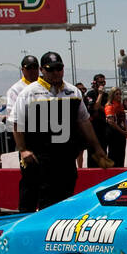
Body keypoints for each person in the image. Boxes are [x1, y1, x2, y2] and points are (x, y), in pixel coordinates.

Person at [12, 51, 113, 212]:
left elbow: (84, 121)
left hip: (66, 157)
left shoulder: (73, 92)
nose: (55, 73)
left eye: (59, 68)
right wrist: (23, 150)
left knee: (66, 198)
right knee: (42, 201)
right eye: (50, 69)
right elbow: (17, 124)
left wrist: (98, 148)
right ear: (42, 70)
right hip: (40, 157)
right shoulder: (29, 93)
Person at [4, 55, 40, 119]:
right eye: (28, 68)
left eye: (35, 67)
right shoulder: (15, 90)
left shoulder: (47, 85)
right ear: (22, 70)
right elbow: (12, 114)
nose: (32, 70)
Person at [104, 88, 127, 166]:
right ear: (112, 95)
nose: (119, 96)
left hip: (121, 132)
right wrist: (122, 131)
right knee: (113, 153)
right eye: (117, 94)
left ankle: (120, 169)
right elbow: (111, 122)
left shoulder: (120, 105)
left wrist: (126, 129)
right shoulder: (109, 106)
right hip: (113, 132)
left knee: (121, 153)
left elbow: (124, 118)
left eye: (120, 94)